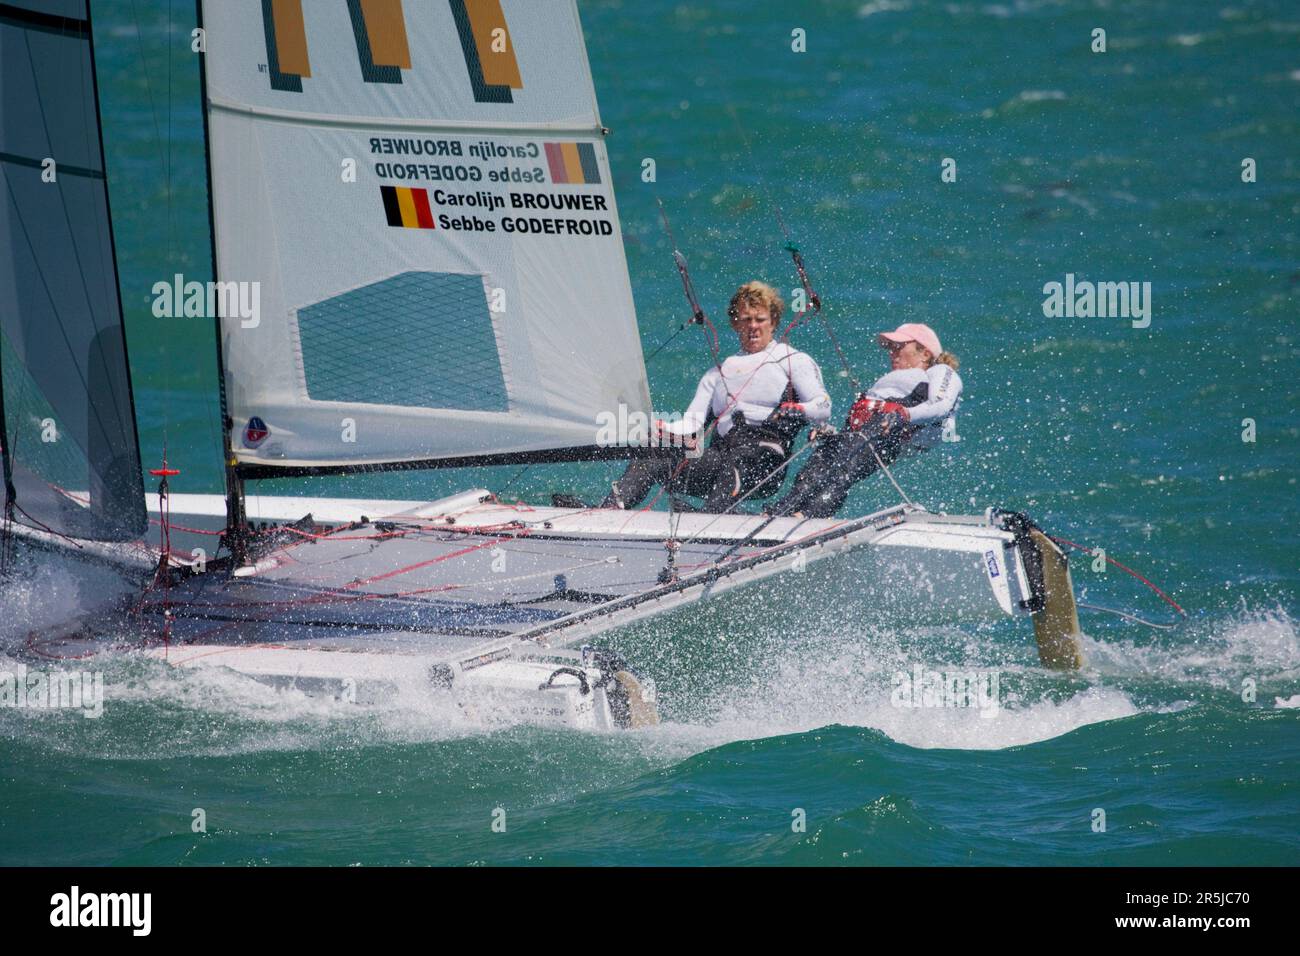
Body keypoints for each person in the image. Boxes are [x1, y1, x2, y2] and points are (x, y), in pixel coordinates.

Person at [601, 281, 831, 513]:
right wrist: (662, 429)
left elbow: (823, 406)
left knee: (738, 462)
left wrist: (800, 410)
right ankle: (607, 513)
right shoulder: (717, 374)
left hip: (765, 463)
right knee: (653, 456)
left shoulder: (793, 361)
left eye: (760, 319)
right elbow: (691, 425)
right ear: (735, 323)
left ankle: (710, 521)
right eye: (745, 319)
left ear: (773, 321)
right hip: (721, 458)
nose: (753, 326)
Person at [767, 322, 962, 518]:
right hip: (867, 431)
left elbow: (941, 405)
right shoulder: (894, 381)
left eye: (899, 347)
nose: (891, 352)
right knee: (815, 468)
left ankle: (802, 516)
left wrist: (902, 415)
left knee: (842, 472)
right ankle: (783, 513)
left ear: (925, 354)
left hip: (888, 430)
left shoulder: (941, 371)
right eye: (890, 348)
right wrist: (833, 432)